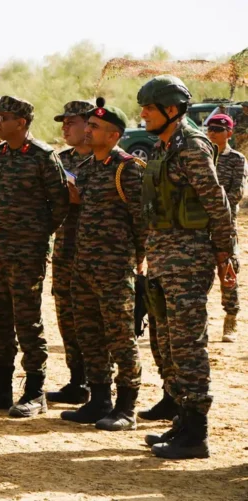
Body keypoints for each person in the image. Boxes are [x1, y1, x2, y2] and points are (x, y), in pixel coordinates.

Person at [137, 75, 237, 459]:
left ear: (171, 110)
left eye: (149, 107)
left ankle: (196, 433)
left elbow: (217, 203)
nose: (143, 114)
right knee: (168, 343)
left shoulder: (192, 146)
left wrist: (224, 255)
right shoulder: (164, 146)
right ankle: (181, 418)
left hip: (189, 260)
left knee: (188, 343)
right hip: (164, 257)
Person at [0, 96, 69, 418]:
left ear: (22, 123)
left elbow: (61, 204)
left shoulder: (43, 156)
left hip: (27, 254)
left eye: (4, 117)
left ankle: (35, 391)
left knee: (27, 322)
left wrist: (37, 235)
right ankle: (0, 387)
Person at [60, 99, 146, 432]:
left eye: (95, 127)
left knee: (120, 336)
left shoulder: (127, 167)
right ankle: (98, 399)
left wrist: (140, 259)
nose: (89, 130)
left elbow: (141, 219)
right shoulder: (88, 167)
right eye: (89, 125)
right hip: (83, 265)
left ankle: (127, 406)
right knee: (89, 333)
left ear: (114, 135)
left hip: (114, 267)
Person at [46, 100, 95, 405]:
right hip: (64, 250)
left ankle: (98, 382)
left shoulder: (108, 161)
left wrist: (81, 199)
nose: (65, 127)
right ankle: (77, 380)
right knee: (66, 316)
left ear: (89, 126)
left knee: (94, 319)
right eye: (63, 122)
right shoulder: (59, 160)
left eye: (71, 122)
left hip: (96, 253)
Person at [206, 113, 247, 343]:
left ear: (229, 133)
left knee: (228, 270)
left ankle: (230, 319)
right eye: (210, 128)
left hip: (225, 223)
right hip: (200, 224)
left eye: (218, 129)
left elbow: (237, 193)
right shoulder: (202, 156)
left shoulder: (237, 159)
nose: (212, 132)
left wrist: (215, 208)